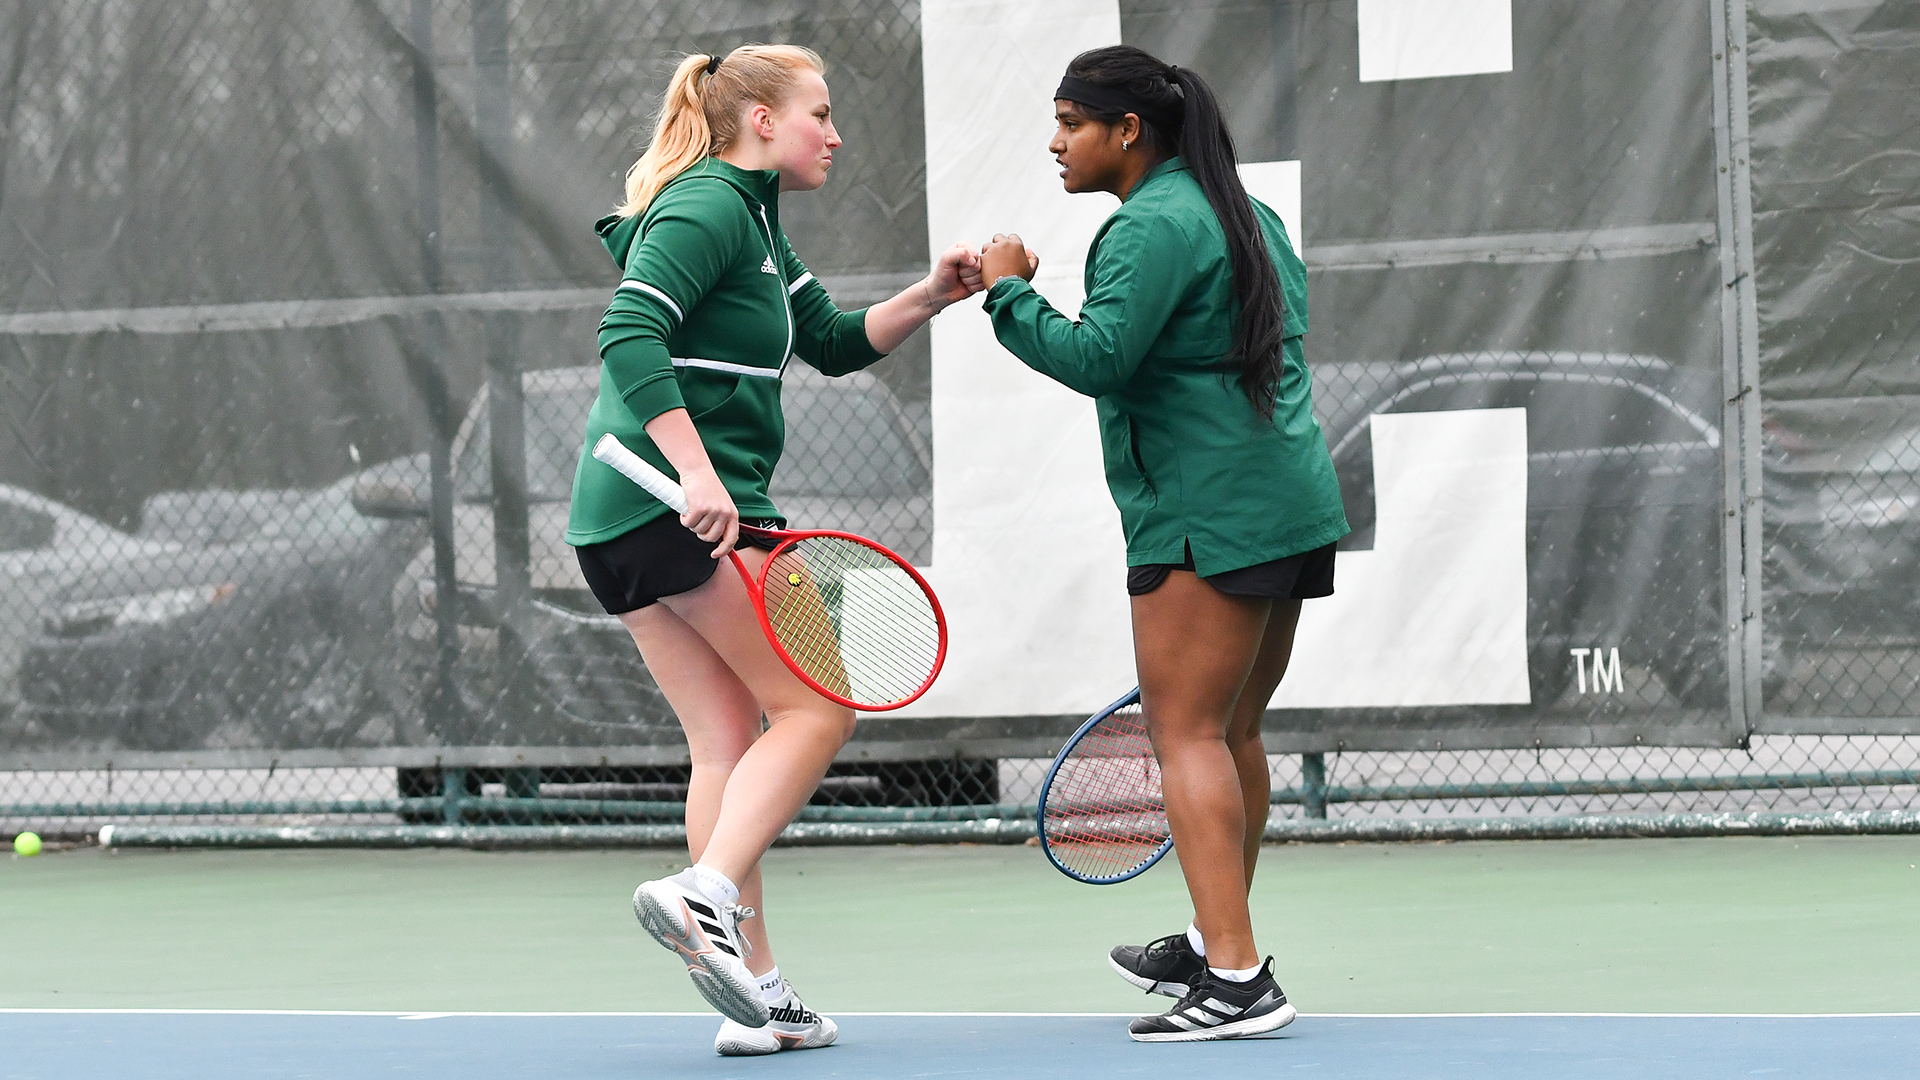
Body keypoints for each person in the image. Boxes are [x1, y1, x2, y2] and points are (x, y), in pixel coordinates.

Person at [567, 45, 981, 1056]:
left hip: (619, 517)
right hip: (671, 503)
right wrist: (701, 474)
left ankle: (757, 992)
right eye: (819, 115)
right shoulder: (709, 206)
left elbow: (833, 341)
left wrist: (930, 293)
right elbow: (629, 331)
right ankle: (704, 890)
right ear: (758, 118)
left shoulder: (755, 221)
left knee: (726, 740)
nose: (834, 135)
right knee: (817, 707)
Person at [976, 45, 1348, 1042]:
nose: (1055, 144)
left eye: (1070, 123)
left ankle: (1236, 979)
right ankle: (1212, 936)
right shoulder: (1245, 214)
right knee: (1234, 734)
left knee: (1186, 735)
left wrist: (1008, 292)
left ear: (1127, 132)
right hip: (1289, 504)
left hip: (1204, 518)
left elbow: (1100, 357)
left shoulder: (1145, 230)